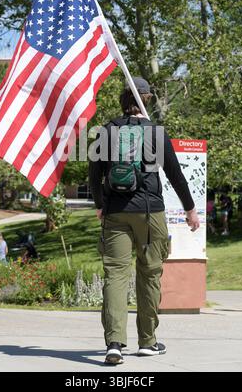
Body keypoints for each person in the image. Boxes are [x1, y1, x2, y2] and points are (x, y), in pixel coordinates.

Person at [89, 77, 199, 365]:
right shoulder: (155, 133)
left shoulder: (106, 132)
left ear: (123, 100)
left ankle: (114, 344)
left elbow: (93, 174)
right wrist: (190, 209)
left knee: (115, 275)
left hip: (115, 212)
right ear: (146, 100)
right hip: (150, 212)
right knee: (149, 274)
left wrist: (101, 204)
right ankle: (148, 342)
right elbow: (175, 174)